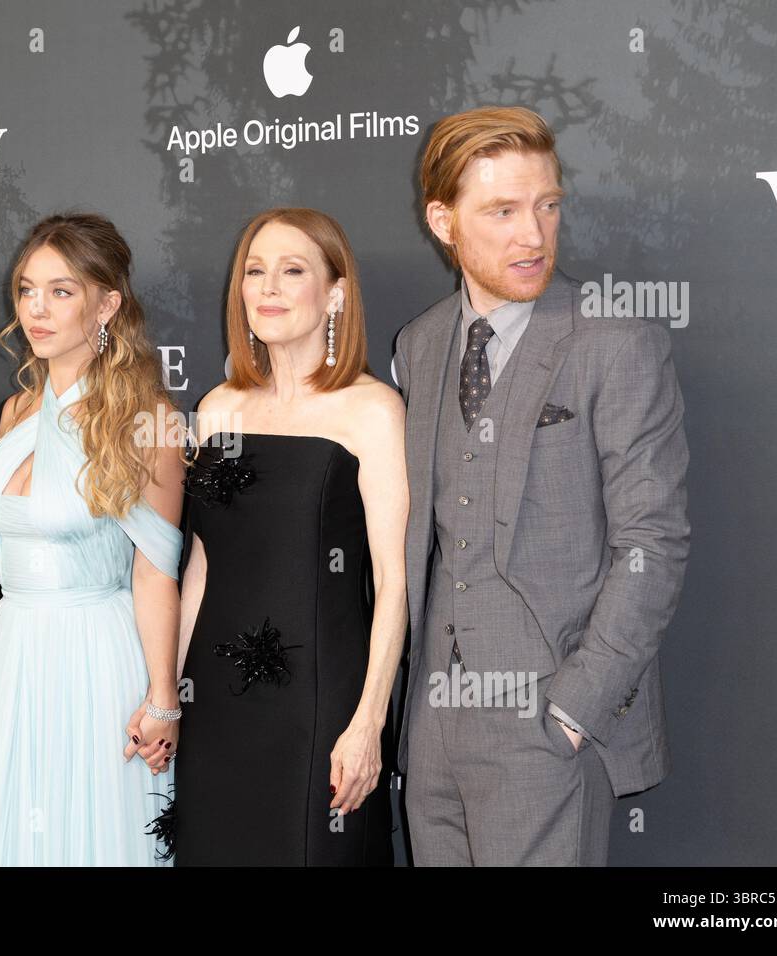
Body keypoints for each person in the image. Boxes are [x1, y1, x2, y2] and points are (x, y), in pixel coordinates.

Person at [394, 106, 691, 865]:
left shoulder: (614, 338)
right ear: (443, 221)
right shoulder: (422, 344)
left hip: (546, 721)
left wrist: (573, 708)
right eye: (502, 211)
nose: (534, 234)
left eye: (547, 205)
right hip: (431, 732)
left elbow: (651, 544)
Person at [173, 208, 406, 865]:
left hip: (318, 704)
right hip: (215, 703)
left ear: (335, 293)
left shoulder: (372, 411)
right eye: (255, 271)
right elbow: (201, 569)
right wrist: (172, 693)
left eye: (292, 270)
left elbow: (393, 583)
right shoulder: (217, 409)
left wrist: (368, 722)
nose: (268, 287)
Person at [0, 213, 184, 865]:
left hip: (95, 656)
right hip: (13, 652)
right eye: (27, 289)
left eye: (62, 290)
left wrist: (162, 698)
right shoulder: (17, 412)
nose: (36, 309)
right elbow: (7, 552)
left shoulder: (147, 421)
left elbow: (155, 571)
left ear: (107, 302)